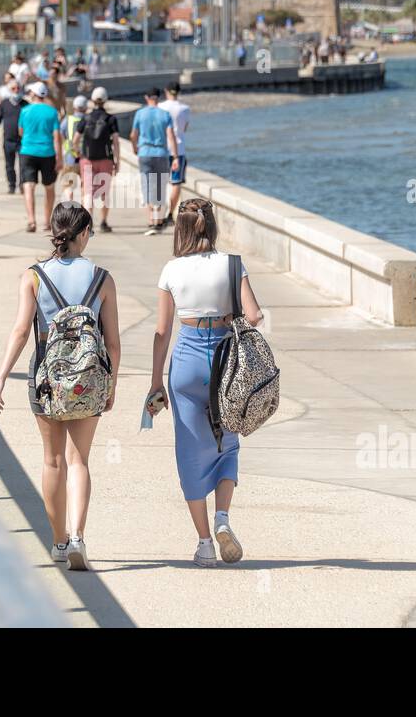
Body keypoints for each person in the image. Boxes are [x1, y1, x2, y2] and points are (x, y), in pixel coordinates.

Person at [0, 204, 120, 570]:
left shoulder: (33, 276)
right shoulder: (103, 278)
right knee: (80, 461)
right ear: (86, 232)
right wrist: (111, 384)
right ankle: (78, 536)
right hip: (89, 379)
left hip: (46, 377)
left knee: (53, 460)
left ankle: (59, 541)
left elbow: (21, 330)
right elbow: (114, 342)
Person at [147, 198, 262, 567]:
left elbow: (162, 330)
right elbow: (256, 315)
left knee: (190, 453)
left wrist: (155, 383)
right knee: (227, 445)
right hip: (226, 361)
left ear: (180, 229)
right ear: (212, 228)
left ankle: (204, 545)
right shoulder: (233, 265)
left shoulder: (171, 269)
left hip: (186, 362)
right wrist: (230, 316)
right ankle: (223, 519)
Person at [128, 87, 179, 236]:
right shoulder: (165, 114)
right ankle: (157, 222)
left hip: (144, 152)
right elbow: (171, 136)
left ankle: (151, 221)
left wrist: (135, 148)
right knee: (159, 187)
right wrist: (175, 156)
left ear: (146, 97)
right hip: (161, 153)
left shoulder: (140, 113)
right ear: (159, 97)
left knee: (147, 186)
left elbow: (133, 135)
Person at [17, 81, 62, 232]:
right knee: (49, 187)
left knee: (29, 185)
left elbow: (20, 132)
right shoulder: (52, 112)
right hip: (47, 152)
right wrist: (59, 158)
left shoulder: (25, 111)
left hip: (28, 151)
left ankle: (31, 221)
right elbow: (57, 137)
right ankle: (47, 222)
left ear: (34, 94)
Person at [73, 86, 118, 234]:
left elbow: (75, 140)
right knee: (104, 192)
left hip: (87, 159)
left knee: (88, 192)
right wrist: (117, 161)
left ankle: (87, 225)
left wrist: (79, 153)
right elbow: (116, 142)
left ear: (92, 100)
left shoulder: (85, 118)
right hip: (106, 159)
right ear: (105, 101)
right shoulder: (111, 119)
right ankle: (104, 222)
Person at [158, 83, 190, 227]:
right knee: (176, 183)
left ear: (166, 91)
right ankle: (170, 214)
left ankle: (158, 213)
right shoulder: (184, 109)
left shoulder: (160, 107)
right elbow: (184, 128)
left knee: (161, 182)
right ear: (179, 92)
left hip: (162, 149)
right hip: (179, 150)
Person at [0, 78, 25, 193]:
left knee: (23, 165)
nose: (16, 90)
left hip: (23, 141)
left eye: (18, 88)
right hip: (8, 140)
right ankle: (11, 185)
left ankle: (22, 185)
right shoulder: (4, 104)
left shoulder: (25, 104)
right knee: (9, 165)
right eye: (13, 88)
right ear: (10, 89)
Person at [59, 95, 87, 203]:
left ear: (74, 107)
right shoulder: (88, 119)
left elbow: (60, 134)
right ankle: (85, 208)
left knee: (68, 184)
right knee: (85, 185)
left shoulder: (68, 120)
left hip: (70, 157)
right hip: (86, 157)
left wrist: (66, 144)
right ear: (86, 108)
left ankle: (70, 205)